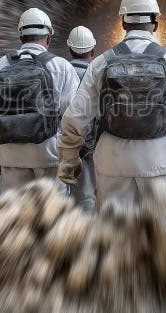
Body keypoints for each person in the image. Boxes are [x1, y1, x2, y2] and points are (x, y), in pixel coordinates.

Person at [56, 0, 166, 208]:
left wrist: (70, 157)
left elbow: (77, 116)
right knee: (158, 234)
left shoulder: (101, 63)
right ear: (155, 25)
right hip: (160, 161)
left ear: (123, 23)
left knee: (114, 235)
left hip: (113, 162)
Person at [0, 8, 79, 193]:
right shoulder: (62, 67)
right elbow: (73, 115)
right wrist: (70, 153)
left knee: (16, 215)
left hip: (9, 156)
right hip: (49, 154)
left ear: (21, 37)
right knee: (52, 214)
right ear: (49, 38)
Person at [66, 26, 98, 213]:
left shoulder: (59, 70)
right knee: (87, 195)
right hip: (90, 146)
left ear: (70, 49)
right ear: (92, 51)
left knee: (62, 194)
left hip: (62, 145)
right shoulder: (98, 71)